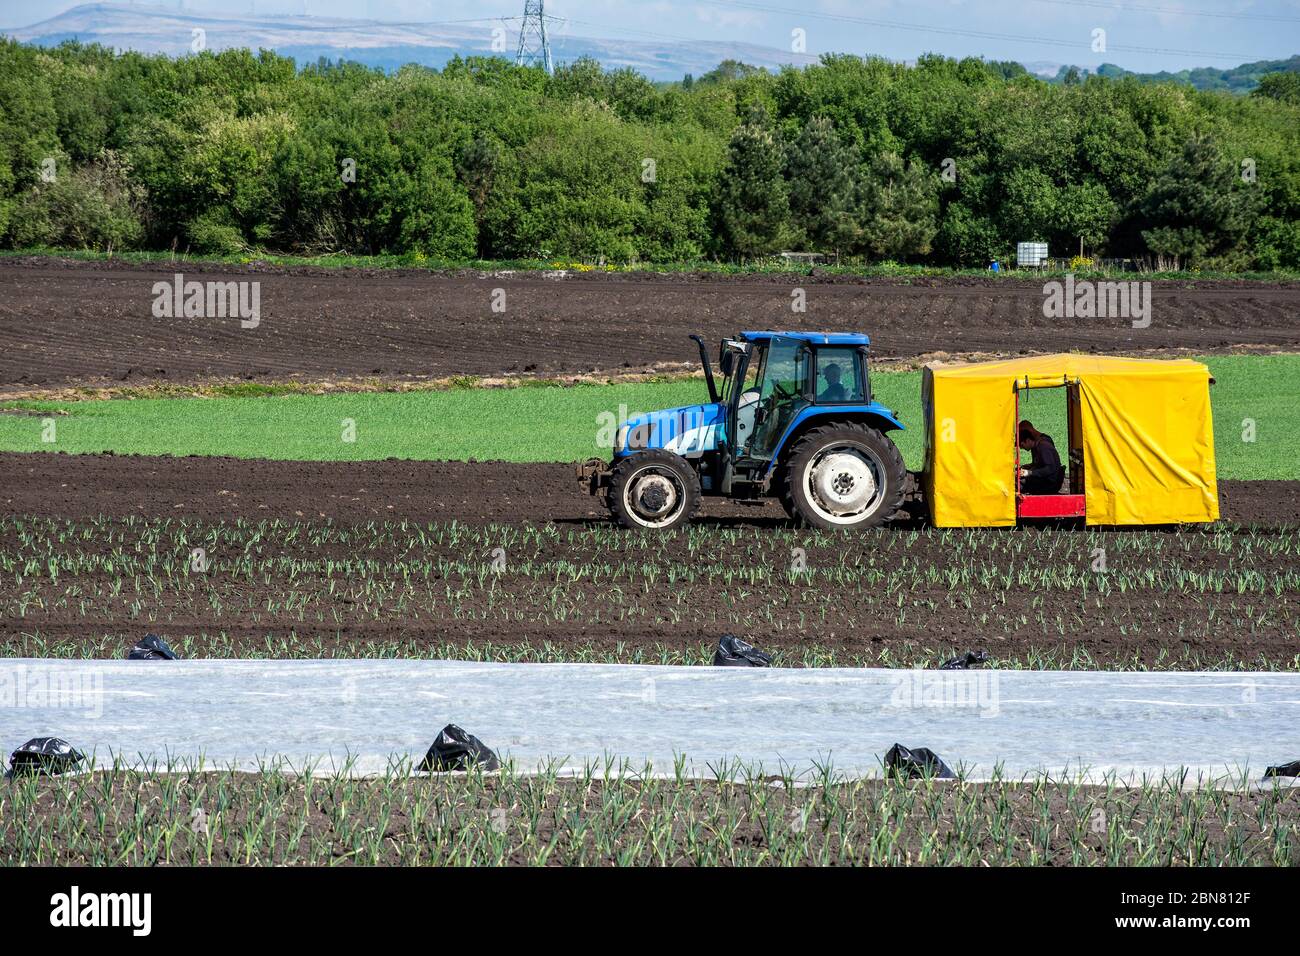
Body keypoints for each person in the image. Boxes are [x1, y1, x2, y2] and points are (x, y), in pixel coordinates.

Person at [1017, 420, 1064, 494]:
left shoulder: (1043, 446)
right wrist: (1025, 467)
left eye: (1022, 444)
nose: (1021, 448)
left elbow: (1050, 468)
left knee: (1020, 485)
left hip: (1049, 482)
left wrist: (1030, 473)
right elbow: (1038, 463)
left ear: (1028, 439)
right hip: (1045, 478)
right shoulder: (1036, 445)